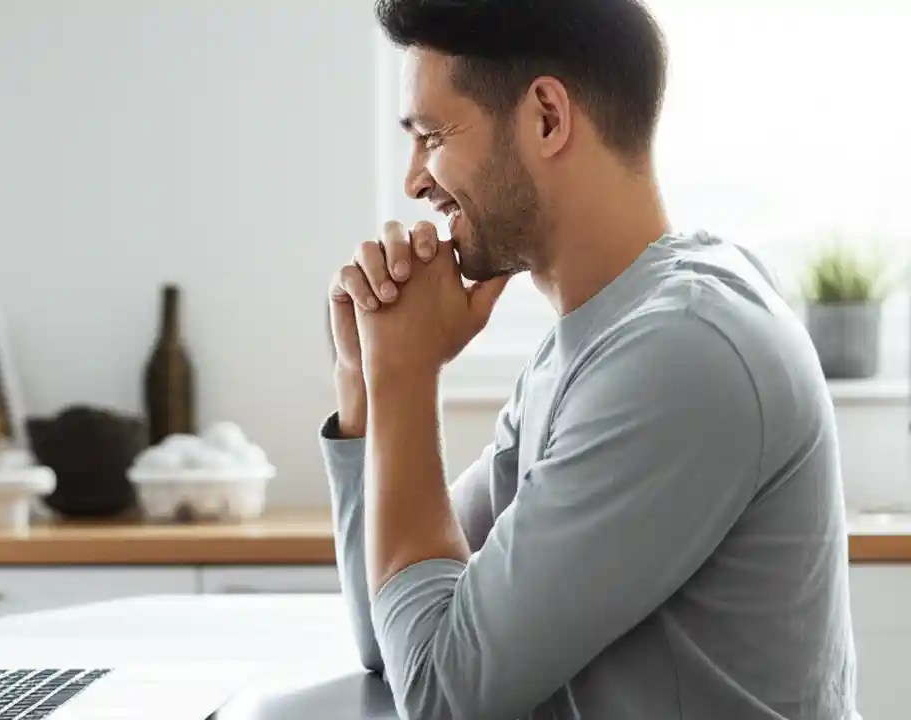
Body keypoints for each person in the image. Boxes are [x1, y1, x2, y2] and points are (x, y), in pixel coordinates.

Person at [321, 1, 858, 718]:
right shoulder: (591, 345)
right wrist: (367, 391)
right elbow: (392, 638)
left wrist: (407, 377)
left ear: (547, 116)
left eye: (433, 135)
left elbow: (439, 693)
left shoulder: (683, 353)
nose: (416, 180)